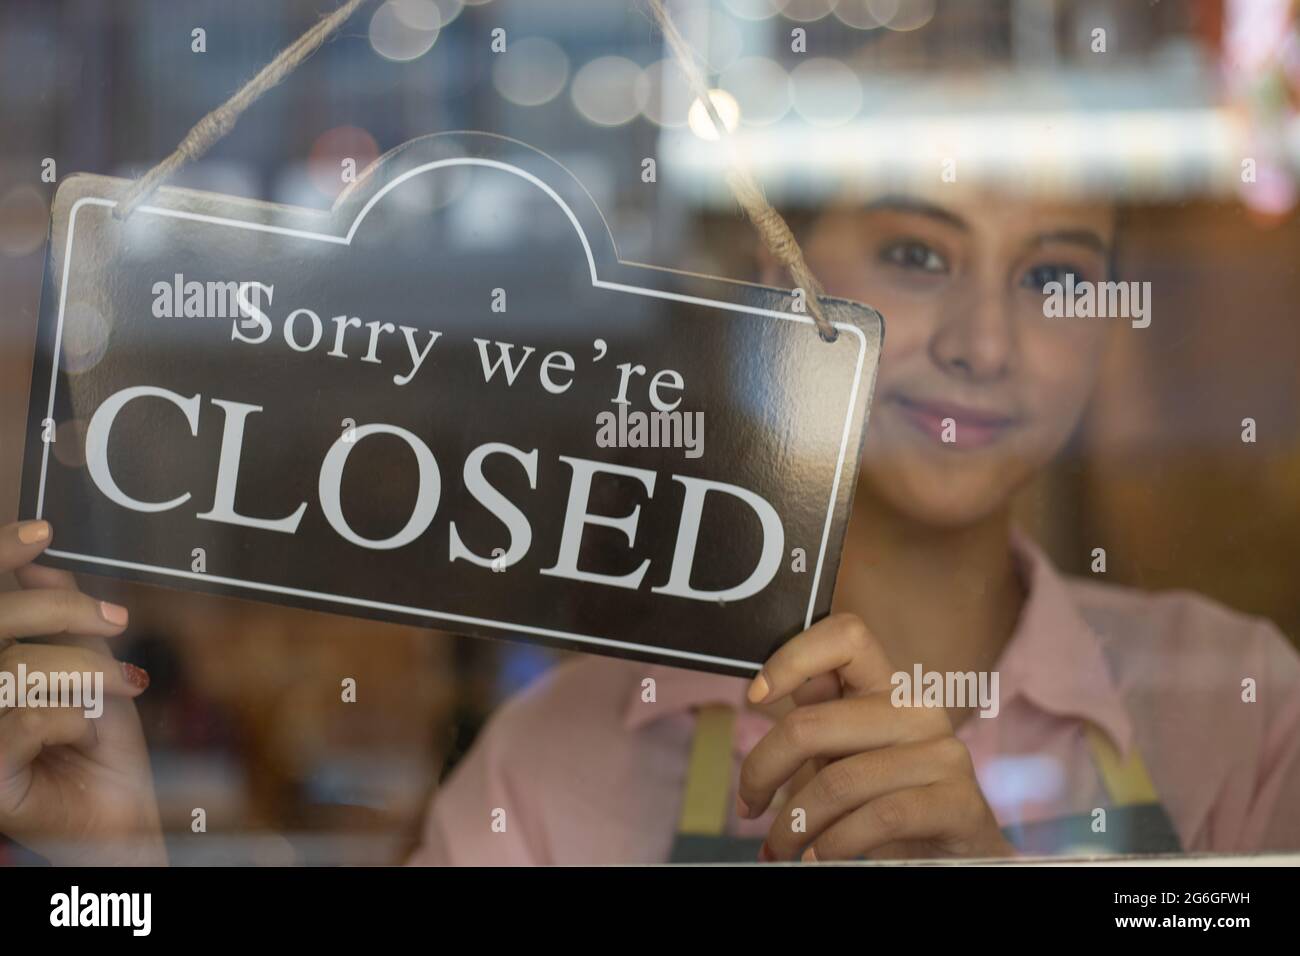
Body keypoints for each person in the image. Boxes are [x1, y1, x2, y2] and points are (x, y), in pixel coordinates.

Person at [2, 187, 1298, 866]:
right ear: (770, 280)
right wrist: (104, 873)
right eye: (915, 251)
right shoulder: (551, 760)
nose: (984, 341)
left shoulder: (1236, 702)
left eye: (1057, 275)